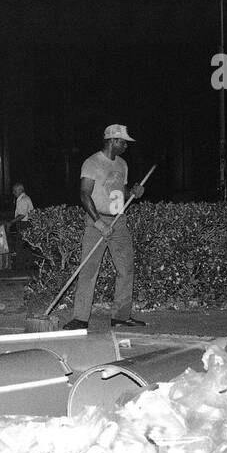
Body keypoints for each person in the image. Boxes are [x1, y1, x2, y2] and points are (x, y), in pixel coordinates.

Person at [64, 124, 145, 330]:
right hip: (96, 221)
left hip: (119, 221)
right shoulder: (92, 163)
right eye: (122, 141)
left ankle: (120, 316)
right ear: (111, 141)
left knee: (126, 269)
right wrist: (99, 223)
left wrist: (134, 192)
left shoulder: (123, 164)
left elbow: (121, 190)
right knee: (89, 270)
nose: (126, 145)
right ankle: (81, 318)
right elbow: (84, 194)